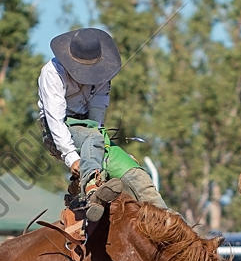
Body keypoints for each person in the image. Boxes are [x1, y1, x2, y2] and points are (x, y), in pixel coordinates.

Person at [37, 26, 166, 223]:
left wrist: (101, 143)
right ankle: (91, 189)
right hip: (59, 130)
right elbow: (55, 118)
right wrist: (71, 157)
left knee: (136, 175)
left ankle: (173, 225)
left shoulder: (103, 73)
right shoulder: (52, 72)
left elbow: (98, 109)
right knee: (93, 138)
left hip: (91, 130)